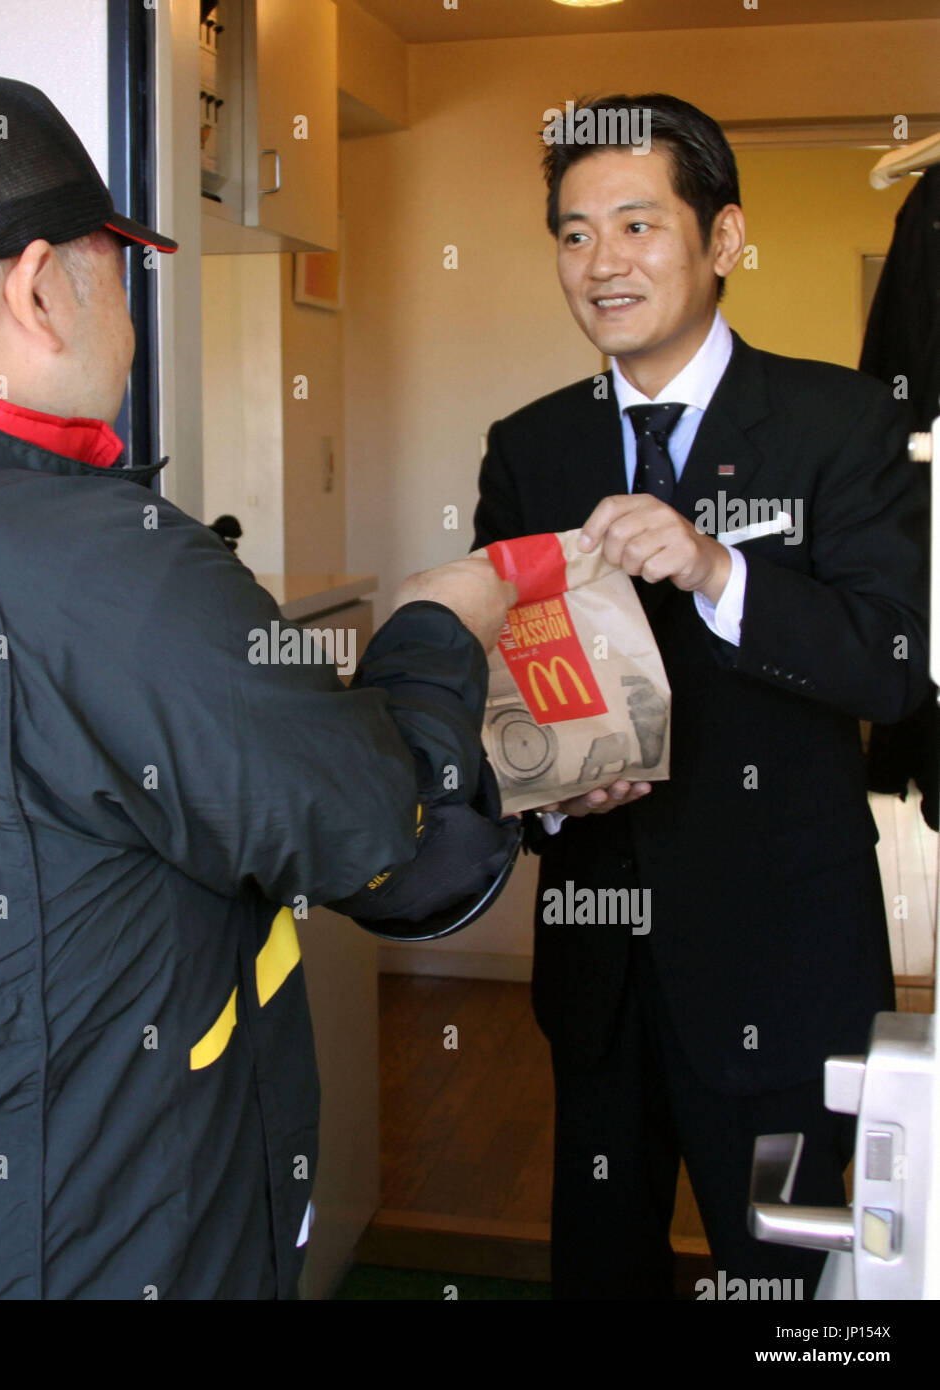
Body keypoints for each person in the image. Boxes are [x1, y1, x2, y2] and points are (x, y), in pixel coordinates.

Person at [0, 69, 518, 1300]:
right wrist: (438, 627)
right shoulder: (87, 568)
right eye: (118, 272)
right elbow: (406, 849)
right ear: (38, 288)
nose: (128, 318)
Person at [473, 92, 928, 1298]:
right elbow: (509, 687)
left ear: (723, 239)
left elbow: (889, 660)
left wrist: (720, 569)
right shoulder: (531, 448)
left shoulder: (838, 423)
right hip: (601, 967)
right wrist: (555, 796)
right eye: (574, 233)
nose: (602, 263)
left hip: (784, 963)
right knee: (602, 1270)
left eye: (636, 224)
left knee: (786, 1284)